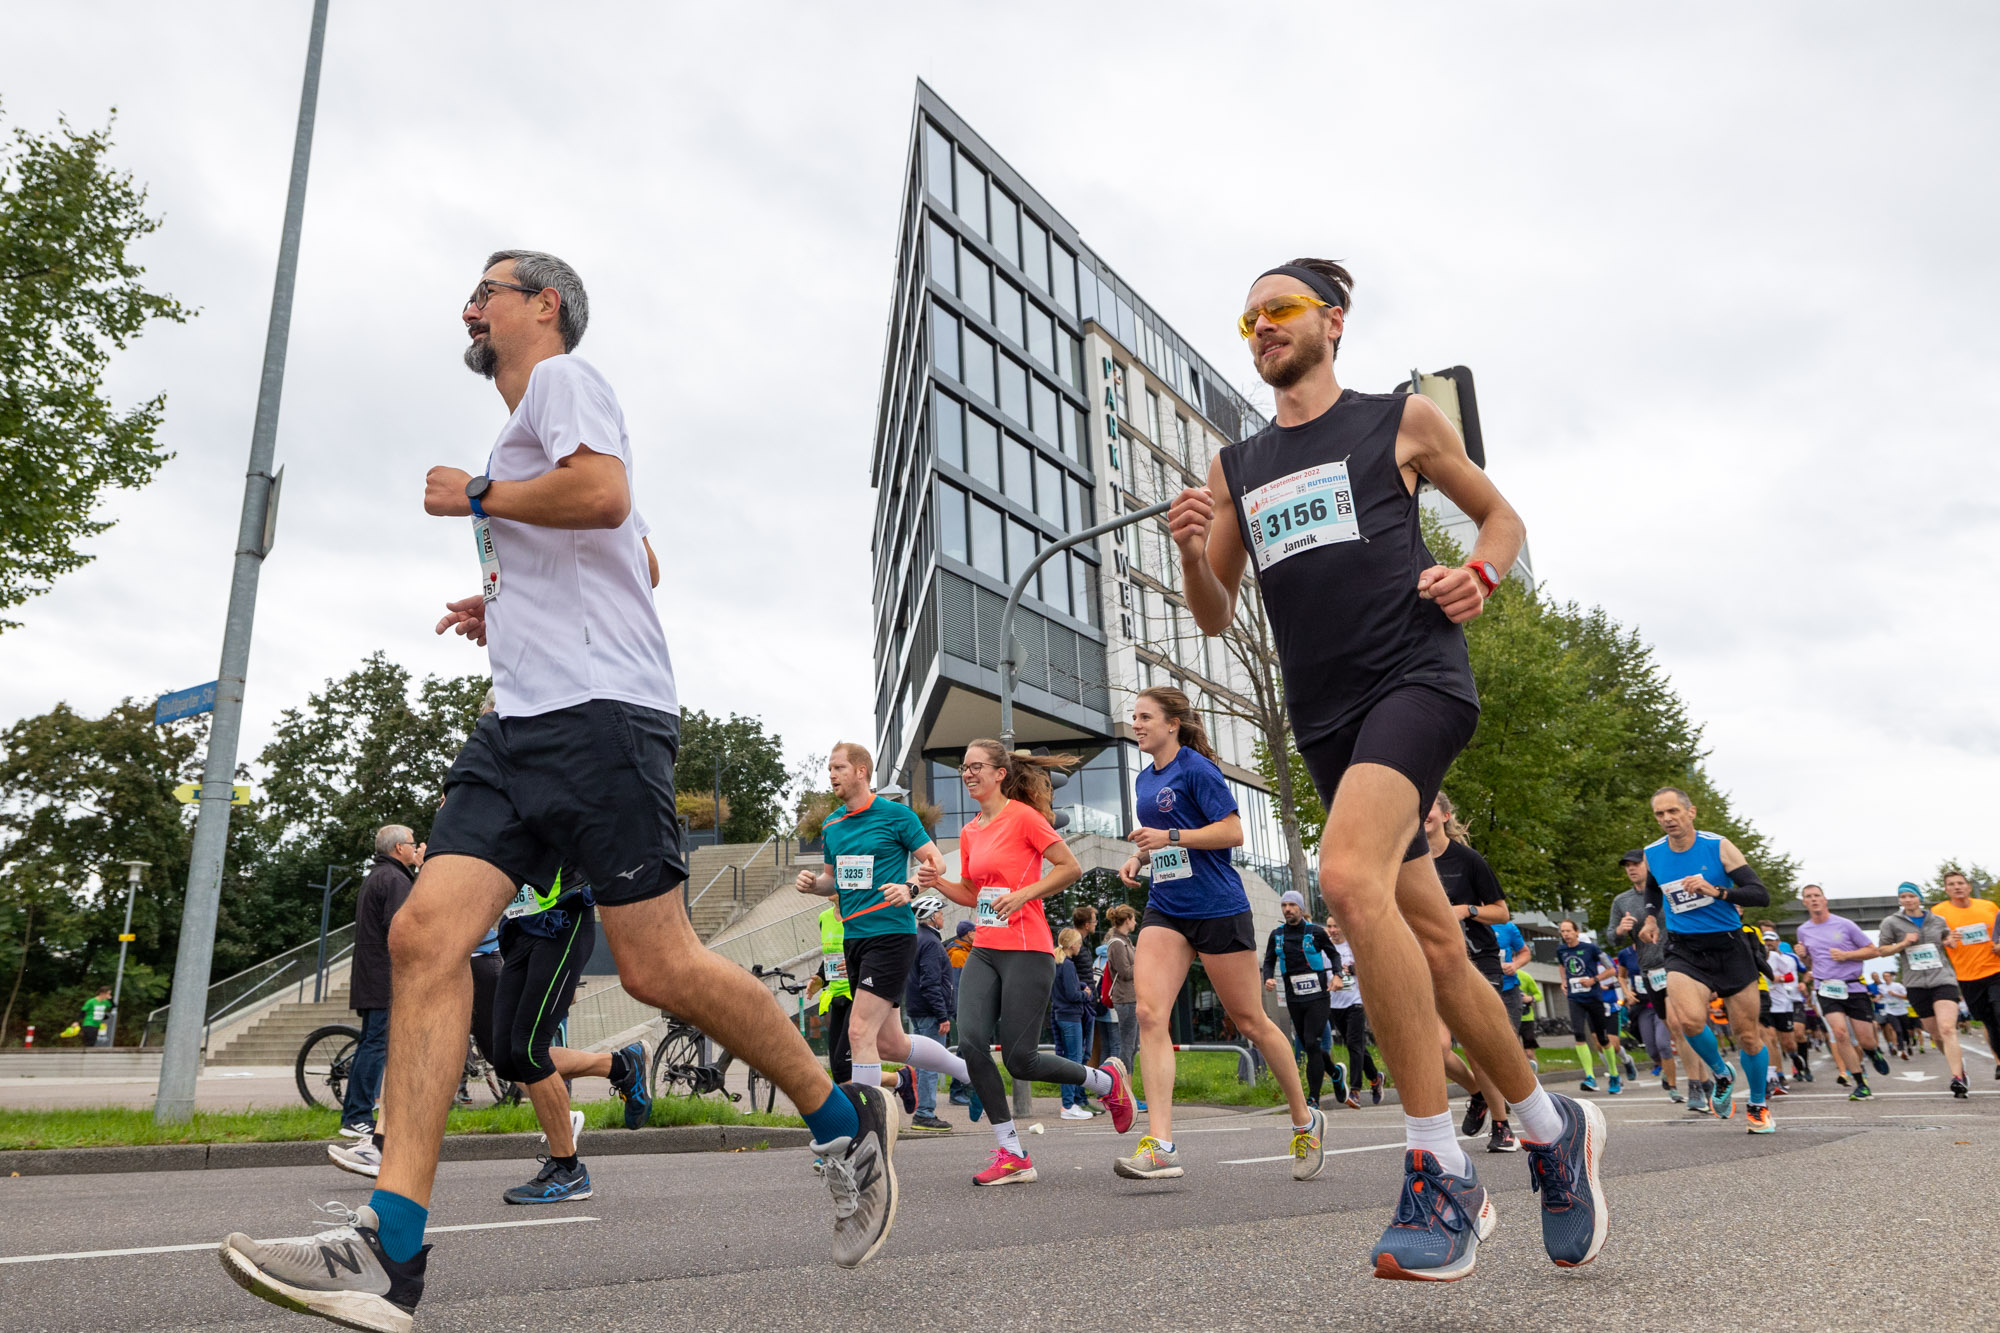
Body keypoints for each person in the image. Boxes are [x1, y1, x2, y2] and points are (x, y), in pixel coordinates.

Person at [219, 252, 900, 1333]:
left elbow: (607, 498)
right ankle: (388, 1248)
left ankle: (838, 1118)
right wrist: (512, 595)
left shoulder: (563, 384)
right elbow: (641, 554)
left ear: (544, 307)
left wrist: (480, 499)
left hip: (601, 719)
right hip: (515, 728)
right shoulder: (522, 426)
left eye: (486, 290)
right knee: (424, 936)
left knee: (658, 964)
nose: (468, 306)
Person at [1172, 258, 1602, 1280]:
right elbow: (1214, 609)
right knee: (1431, 946)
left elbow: (1500, 518)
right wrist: (1194, 547)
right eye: (1246, 319)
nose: (1259, 328)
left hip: (1413, 678)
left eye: (1276, 310)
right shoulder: (1237, 463)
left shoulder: (1397, 420)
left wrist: (1478, 575)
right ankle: (1550, 1129)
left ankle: (1438, 1166)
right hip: (1323, 722)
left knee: (1347, 880)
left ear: (1329, 320)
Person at [1110, 687, 1322, 1184]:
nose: (1137, 724)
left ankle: (1305, 1121)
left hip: (1218, 908)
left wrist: (1171, 838)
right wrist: (1139, 856)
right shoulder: (1144, 779)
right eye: (1134, 717)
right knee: (1148, 1012)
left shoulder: (1197, 770)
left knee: (1251, 1021)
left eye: (1145, 717)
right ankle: (1161, 1144)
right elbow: (1158, 835)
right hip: (1167, 906)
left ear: (1172, 724)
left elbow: (1232, 833)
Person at [917, 739, 1134, 1186]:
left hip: (1028, 950)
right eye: (963, 767)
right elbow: (974, 895)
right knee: (973, 1042)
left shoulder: (1024, 817)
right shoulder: (971, 829)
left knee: (1021, 1060)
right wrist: (938, 881)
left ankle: (1106, 1083)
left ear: (1000, 773)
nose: (967, 773)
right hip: (986, 948)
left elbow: (1069, 867)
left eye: (976, 766)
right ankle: (1012, 1152)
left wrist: (1026, 893)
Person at [794, 742, 970, 1120]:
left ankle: (867, 1128)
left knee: (859, 1033)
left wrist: (911, 888)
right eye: (829, 768)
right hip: (853, 939)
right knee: (889, 1043)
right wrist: (814, 885)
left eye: (839, 767)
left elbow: (934, 861)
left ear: (861, 771)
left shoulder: (896, 816)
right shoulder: (832, 825)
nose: (832, 775)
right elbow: (832, 881)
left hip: (891, 934)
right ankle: (966, 1071)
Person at [1637, 787, 1775, 1133]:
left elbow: (1760, 894)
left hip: (1730, 946)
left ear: (1690, 812)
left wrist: (1717, 891)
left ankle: (1757, 1104)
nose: (1667, 819)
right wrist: (1651, 917)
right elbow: (1654, 888)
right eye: (1659, 814)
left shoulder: (1718, 846)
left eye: (1673, 812)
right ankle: (1720, 1072)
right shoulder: (1653, 853)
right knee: (1689, 1022)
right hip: (1684, 948)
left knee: (1747, 1035)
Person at [1426, 793, 1516, 1150]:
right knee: (1435, 1047)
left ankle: (1502, 1124)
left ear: (1445, 814)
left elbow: (1502, 912)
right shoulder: (1408, 861)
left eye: (1429, 806)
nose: (1423, 814)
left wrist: (1467, 910)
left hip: (1476, 959)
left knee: (1479, 1047)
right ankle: (1477, 1092)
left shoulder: (1469, 860)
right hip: (1431, 961)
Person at [339, 827, 422, 1138]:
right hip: (383, 976)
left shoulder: (381, 875)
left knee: (372, 1044)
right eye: (413, 844)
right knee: (375, 1045)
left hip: (371, 974)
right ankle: (357, 1115)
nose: (416, 849)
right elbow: (403, 927)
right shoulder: (394, 879)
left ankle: (357, 1113)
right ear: (399, 848)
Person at [1857, 884, 1970, 1097]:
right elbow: (1882, 950)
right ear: (1900, 900)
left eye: (1911, 896)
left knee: (1947, 1028)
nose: (1908, 900)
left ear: (1919, 898)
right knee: (1935, 1033)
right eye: (1903, 896)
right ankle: (1959, 1066)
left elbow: (1948, 939)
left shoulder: (1937, 920)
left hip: (1943, 979)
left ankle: (1957, 1078)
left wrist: (1949, 941)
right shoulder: (1891, 922)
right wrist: (1902, 943)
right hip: (1916, 984)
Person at [1610, 848, 1695, 1103]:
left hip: (1677, 963)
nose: (1631, 868)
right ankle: (1692, 1079)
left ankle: (1697, 1083)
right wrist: (1620, 930)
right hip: (1649, 970)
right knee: (1670, 1032)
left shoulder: (1666, 892)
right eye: (1627, 865)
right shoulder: (1621, 902)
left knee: (1681, 1025)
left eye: (1635, 864)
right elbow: (1611, 938)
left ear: (1647, 865)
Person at [1794, 884, 1887, 1103]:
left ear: (1825, 900)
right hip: (1826, 988)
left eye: (1817, 895)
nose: (1814, 899)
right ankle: (1860, 1084)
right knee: (1840, 1033)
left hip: (1853, 986)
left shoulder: (1845, 925)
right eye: (1809, 897)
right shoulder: (1803, 930)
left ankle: (1873, 1052)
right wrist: (1803, 956)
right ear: (1804, 902)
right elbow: (1810, 962)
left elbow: (1873, 950)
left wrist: (1847, 956)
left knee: (1866, 1039)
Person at [1264, 890, 1352, 1110]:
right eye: (1284, 905)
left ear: (1301, 909)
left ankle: (1313, 1099)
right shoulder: (1277, 935)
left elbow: (1333, 955)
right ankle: (1334, 1072)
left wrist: (1337, 976)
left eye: (1292, 905)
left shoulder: (1315, 933)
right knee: (1307, 1044)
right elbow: (1269, 961)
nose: (1287, 909)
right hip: (1294, 998)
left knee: (1312, 1042)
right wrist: (1268, 978)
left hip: (1318, 996)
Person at [1932, 871, 2000, 1080]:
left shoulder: (1988, 906)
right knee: (1989, 1021)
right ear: (1946, 889)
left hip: (1996, 969)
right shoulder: (1938, 912)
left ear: (1968, 886)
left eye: (1960, 883)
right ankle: (1998, 1061)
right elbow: (1936, 940)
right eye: (1951, 884)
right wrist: (1946, 941)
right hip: (1967, 976)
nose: (1957, 887)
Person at [906, 894, 957, 1130]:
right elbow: (931, 982)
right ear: (932, 917)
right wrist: (942, 1015)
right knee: (931, 1064)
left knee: (921, 1062)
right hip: (930, 1012)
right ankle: (924, 1113)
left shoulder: (916, 938)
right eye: (940, 913)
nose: (942, 917)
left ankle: (920, 1107)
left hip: (917, 1009)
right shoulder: (932, 944)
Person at [1554, 920, 1620, 1096]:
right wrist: (1563, 981)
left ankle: (1614, 1075)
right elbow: (1562, 965)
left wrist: (1594, 980)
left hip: (1593, 998)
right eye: (1562, 931)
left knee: (1603, 1039)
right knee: (1578, 1034)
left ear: (1576, 932)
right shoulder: (1561, 950)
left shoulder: (1591, 949)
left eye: (1568, 930)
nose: (1565, 934)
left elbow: (1611, 969)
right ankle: (1590, 1076)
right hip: (1575, 998)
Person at [1324, 919, 1382, 1102]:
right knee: (1353, 1044)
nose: (1332, 930)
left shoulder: (1353, 946)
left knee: (1354, 1044)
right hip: (1335, 1003)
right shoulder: (1326, 949)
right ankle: (1375, 1078)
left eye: (1336, 926)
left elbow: (1371, 967)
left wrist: (1353, 969)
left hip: (1355, 1001)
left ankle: (1355, 1090)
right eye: (1330, 926)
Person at [1051, 928, 1094, 1120]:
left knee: (1069, 1060)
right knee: (1073, 1061)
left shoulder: (1058, 963)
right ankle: (1068, 1105)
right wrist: (1085, 994)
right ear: (1071, 944)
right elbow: (1071, 995)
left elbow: (1065, 989)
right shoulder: (1067, 965)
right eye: (1078, 942)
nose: (1080, 945)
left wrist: (1079, 985)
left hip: (1062, 1015)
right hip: (1070, 1016)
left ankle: (1069, 1104)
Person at [813, 902, 854, 1084]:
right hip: (836, 994)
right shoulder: (824, 917)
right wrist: (820, 978)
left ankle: (896, 1079)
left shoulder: (859, 914)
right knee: (836, 1065)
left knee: (843, 1063)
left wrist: (854, 963)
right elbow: (829, 957)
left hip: (858, 993)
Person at [1103, 904, 1139, 1072]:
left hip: (1132, 998)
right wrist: (1142, 964)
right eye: (1134, 919)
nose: (1135, 923)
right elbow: (1125, 972)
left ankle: (1127, 1089)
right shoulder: (1117, 943)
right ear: (1127, 920)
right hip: (1125, 999)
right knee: (1127, 1046)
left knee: (1132, 1046)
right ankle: (1124, 1089)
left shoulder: (1125, 941)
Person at [944, 920, 976, 1106]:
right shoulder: (957, 955)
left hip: (969, 1007)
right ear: (968, 933)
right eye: (975, 931)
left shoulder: (968, 951)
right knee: (966, 1049)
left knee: (968, 1049)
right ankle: (957, 1091)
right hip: (963, 1008)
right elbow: (956, 986)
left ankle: (963, 1089)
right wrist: (960, 1011)